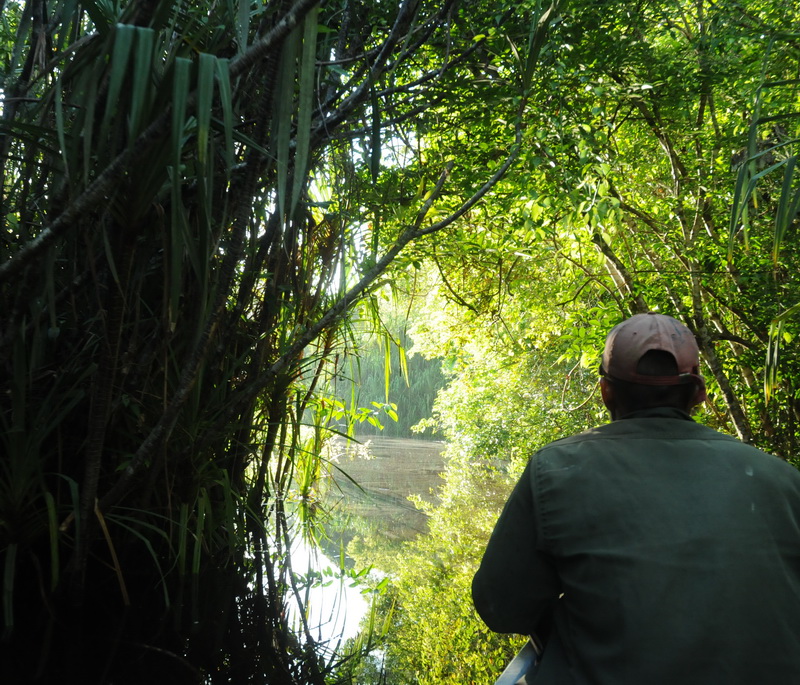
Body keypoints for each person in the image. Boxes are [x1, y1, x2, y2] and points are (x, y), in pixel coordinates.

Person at [472, 312, 800, 684]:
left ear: (605, 391)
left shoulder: (557, 469)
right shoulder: (785, 479)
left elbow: (501, 607)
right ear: (699, 393)